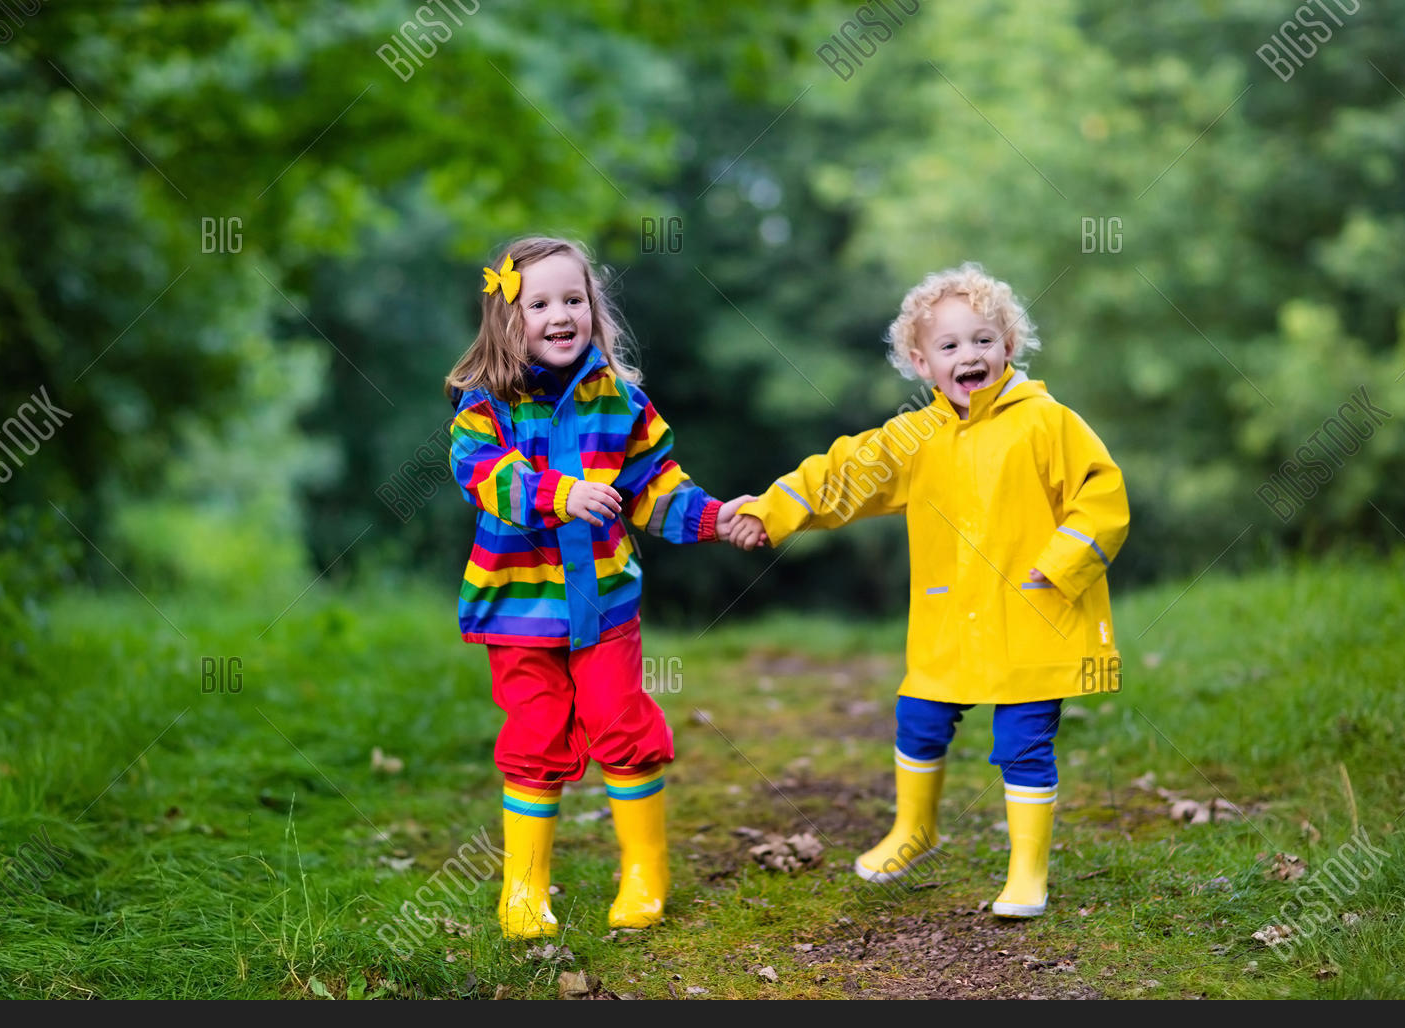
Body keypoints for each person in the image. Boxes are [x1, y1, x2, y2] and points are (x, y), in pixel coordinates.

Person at [733, 263, 1129, 917]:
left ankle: (1027, 872)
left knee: (1025, 741)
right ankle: (915, 830)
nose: (969, 356)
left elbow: (1103, 495)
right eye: (949, 346)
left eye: (983, 340)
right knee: (918, 719)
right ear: (922, 363)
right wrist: (773, 509)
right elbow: (846, 474)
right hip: (951, 619)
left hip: (1034, 615)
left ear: (1009, 346)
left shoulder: (1047, 422)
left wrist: (1063, 562)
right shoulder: (917, 438)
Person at [447, 235, 755, 939]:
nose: (561, 314)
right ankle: (524, 887)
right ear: (507, 319)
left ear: (594, 310)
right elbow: (486, 477)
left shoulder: (622, 403)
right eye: (540, 303)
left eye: (574, 299)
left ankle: (645, 869)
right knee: (533, 731)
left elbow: (655, 487)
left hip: (604, 606)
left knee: (621, 721)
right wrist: (563, 495)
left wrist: (716, 518)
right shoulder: (484, 407)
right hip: (518, 608)